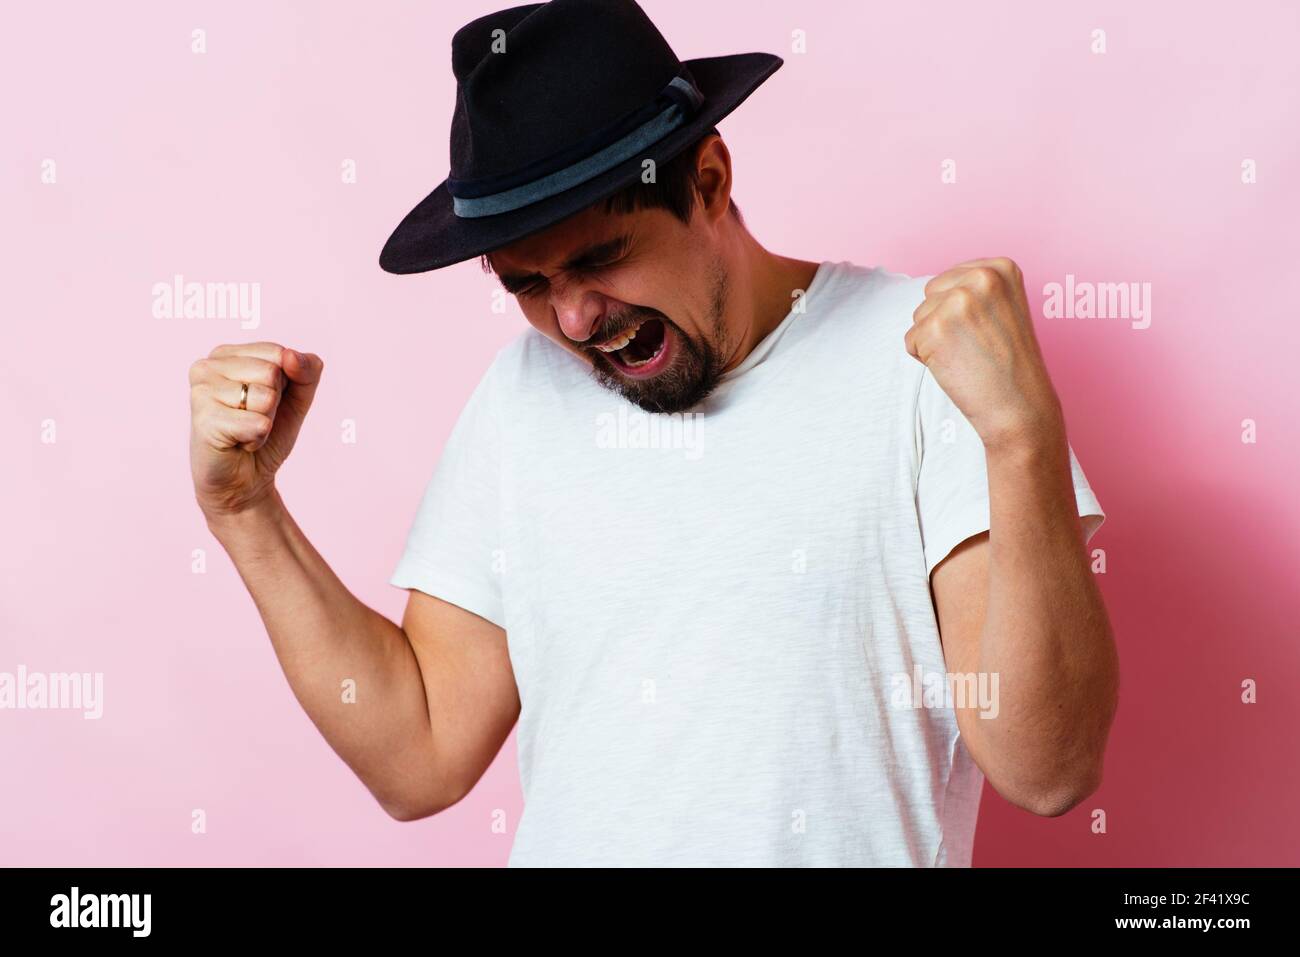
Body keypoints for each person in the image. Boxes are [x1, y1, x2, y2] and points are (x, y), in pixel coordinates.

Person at [186, 0, 1118, 866]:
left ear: (708, 180)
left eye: (602, 258)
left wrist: (1022, 436)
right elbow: (419, 754)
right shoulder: (524, 394)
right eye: (526, 284)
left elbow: (1049, 769)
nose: (577, 318)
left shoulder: (923, 361)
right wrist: (246, 512)